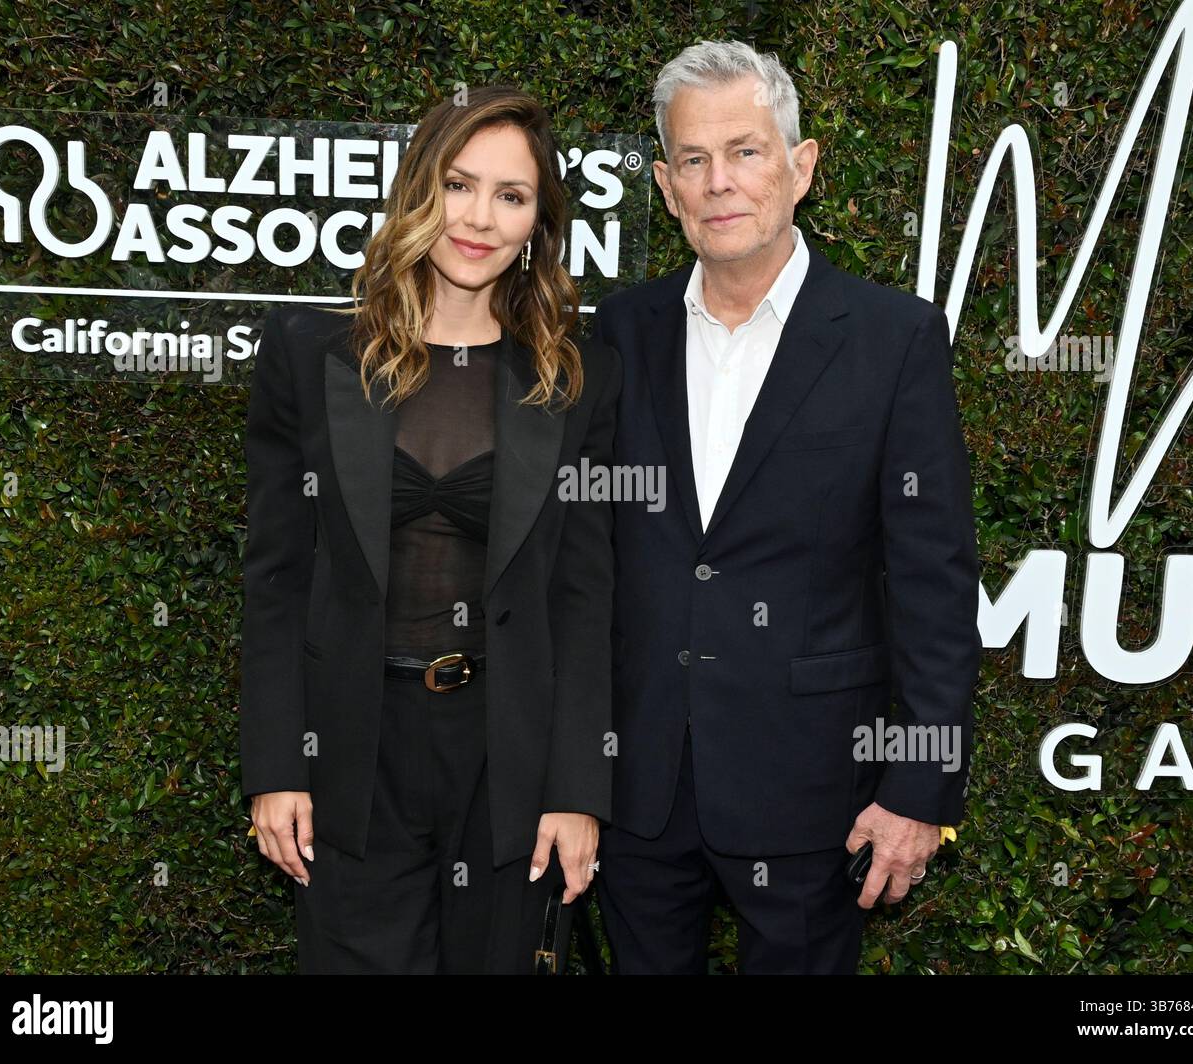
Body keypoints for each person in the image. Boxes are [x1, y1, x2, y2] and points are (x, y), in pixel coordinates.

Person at [591, 40, 981, 974]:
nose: (720, 181)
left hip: (817, 794)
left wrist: (920, 786)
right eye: (693, 159)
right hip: (635, 791)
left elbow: (933, 582)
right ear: (666, 183)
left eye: (746, 151)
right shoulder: (617, 333)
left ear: (800, 166)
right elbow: (580, 559)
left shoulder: (894, 339)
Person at [239, 85, 620, 973]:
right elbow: (277, 578)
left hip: (507, 759)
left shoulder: (577, 380)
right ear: (418, 190)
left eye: (511, 196)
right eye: (459, 184)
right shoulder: (311, 353)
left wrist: (576, 790)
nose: (479, 217)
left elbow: (584, 597)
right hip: (350, 753)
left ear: (538, 224)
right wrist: (275, 766)